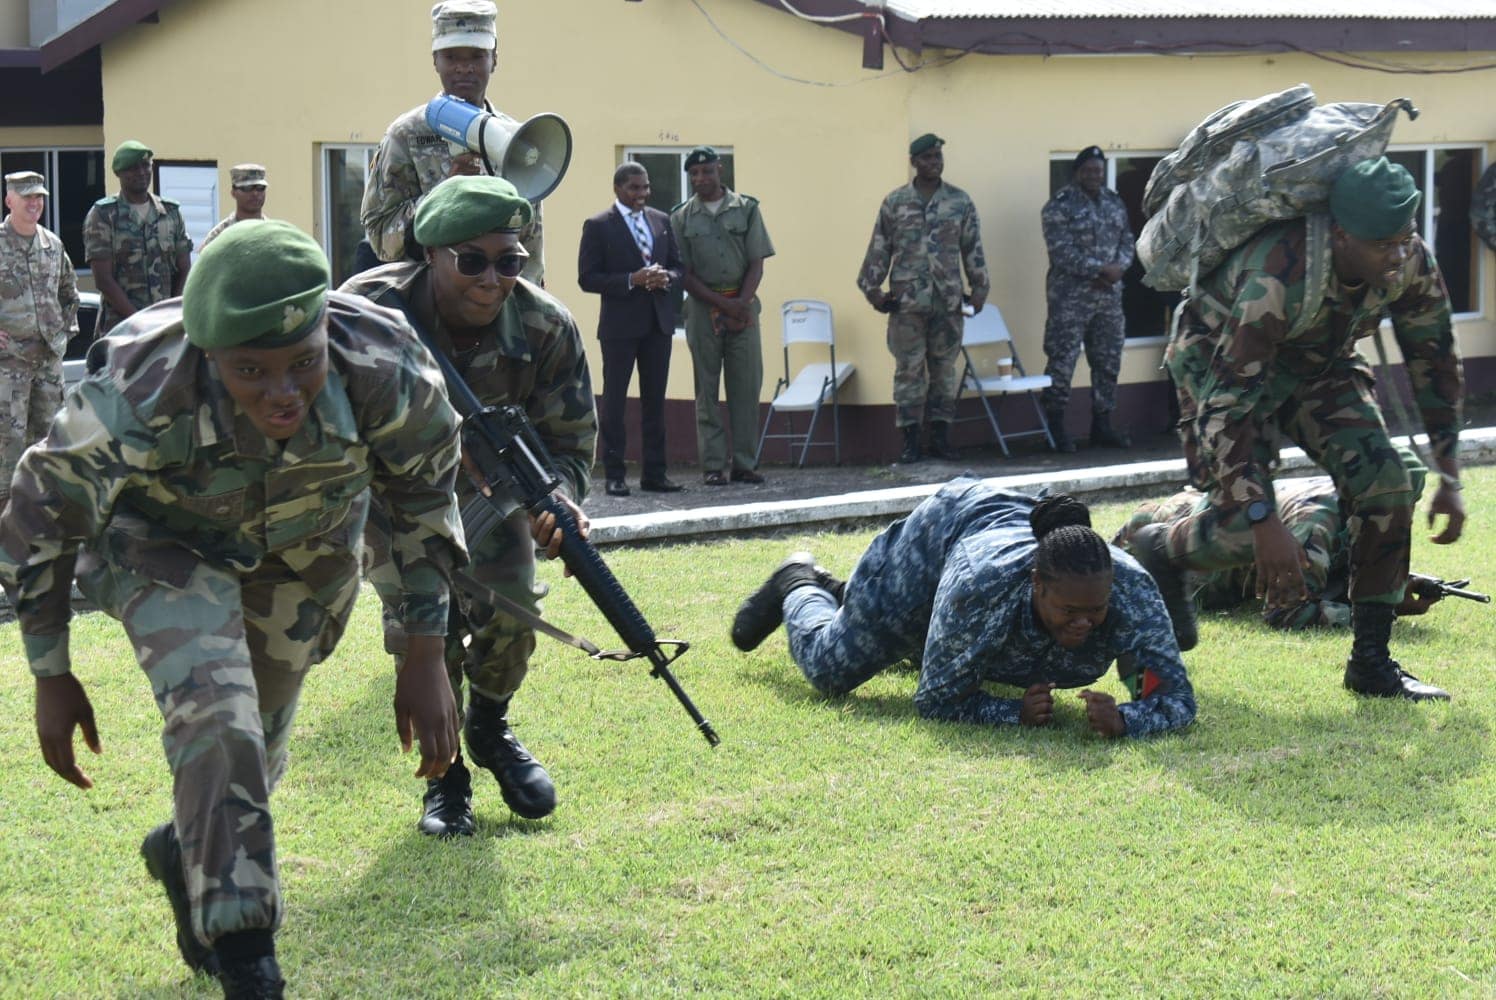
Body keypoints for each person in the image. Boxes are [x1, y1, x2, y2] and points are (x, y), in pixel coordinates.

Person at [0, 221, 467, 997]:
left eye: (303, 365)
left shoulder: (383, 364)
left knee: (255, 745)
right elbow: (40, 523)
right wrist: (51, 673)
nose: (282, 393)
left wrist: (422, 652)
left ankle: (184, 850)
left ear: (326, 332)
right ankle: (251, 961)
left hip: (304, 553)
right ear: (209, 352)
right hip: (161, 546)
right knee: (218, 716)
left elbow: (422, 501)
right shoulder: (138, 387)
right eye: (251, 371)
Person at [1126, 156, 1465, 701]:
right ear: (1340, 236)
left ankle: (1371, 666)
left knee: (1387, 485)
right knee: (1248, 525)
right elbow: (1227, 407)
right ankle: (1161, 547)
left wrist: (1449, 476)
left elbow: (1437, 362)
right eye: (1384, 244)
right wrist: (1263, 520)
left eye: (1406, 239)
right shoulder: (1277, 276)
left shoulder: (1409, 261)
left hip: (1317, 365)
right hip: (1221, 370)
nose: (1399, 256)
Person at [342, 175, 596, 838]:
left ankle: (489, 723)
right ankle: (446, 775)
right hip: (390, 493)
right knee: (425, 623)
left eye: (509, 261)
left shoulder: (545, 325)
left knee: (515, 597)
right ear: (431, 253)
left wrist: (562, 500)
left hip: (493, 494)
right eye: (473, 261)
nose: (493, 279)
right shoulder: (364, 310)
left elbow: (572, 441)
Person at [730, 481, 1195, 738]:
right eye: (1069, 610)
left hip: (1008, 536)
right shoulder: (981, 586)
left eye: (1094, 612)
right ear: (1036, 584)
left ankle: (851, 597)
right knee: (831, 668)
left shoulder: (1132, 590)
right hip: (939, 538)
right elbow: (936, 700)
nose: (1083, 622)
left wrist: (1126, 720)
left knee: (941, 645)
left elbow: (1172, 699)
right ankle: (800, 580)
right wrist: (1011, 713)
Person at [1114, 450, 1451, 631]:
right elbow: (1288, 612)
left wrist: (1389, 583)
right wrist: (1382, 610)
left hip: (1197, 515)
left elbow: (1346, 562)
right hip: (1189, 559)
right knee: (1104, 576)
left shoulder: (1351, 505)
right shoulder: (1318, 522)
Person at [360, 0, 544, 284]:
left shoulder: (514, 139)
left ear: (494, 58)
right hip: (430, 307)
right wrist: (441, 195)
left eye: (476, 55)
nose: (464, 68)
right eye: (451, 56)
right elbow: (380, 237)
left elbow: (530, 242)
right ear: (435, 60)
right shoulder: (406, 136)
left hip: (502, 299)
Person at [858, 134, 990, 464]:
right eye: (929, 157)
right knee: (908, 371)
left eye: (939, 156)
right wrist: (873, 290)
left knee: (945, 371)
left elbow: (972, 247)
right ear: (914, 161)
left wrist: (980, 288)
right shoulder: (895, 202)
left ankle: (941, 439)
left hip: (947, 302)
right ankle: (910, 442)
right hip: (906, 305)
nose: (935, 162)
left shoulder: (959, 201)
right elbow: (880, 246)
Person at [578, 161, 685, 496]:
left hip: (658, 324)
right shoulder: (598, 226)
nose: (642, 194)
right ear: (618, 188)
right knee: (615, 402)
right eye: (634, 188)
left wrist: (666, 277)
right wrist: (631, 280)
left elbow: (679, 267)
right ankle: (614, 474)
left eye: (646, 187)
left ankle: (655, 473)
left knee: (655, 401)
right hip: (619, 327)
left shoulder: (661, 221)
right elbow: (587, 278)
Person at [671, 145, 774, 487]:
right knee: (707, 389)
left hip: (743, 306)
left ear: (720, 171)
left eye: (707, 171)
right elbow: (683, 273)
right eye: (694, 174)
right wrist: (723, 306)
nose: (701, 178)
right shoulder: (681, 217)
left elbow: (757, 261)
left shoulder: (746, 209)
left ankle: (745, 463)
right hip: (703, 310)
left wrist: (740, 305)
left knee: (746, 386)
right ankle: (713, 465)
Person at [1039, 146, 1136, 453]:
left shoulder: (1113, 201)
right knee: (1062, 360)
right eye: (1088, 170)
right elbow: (1061, 250)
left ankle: (1102, 425)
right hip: (1071, 298)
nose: (1094, 175)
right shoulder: (1059, 205)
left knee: (1108, 360)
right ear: (1076, 172)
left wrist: (1119, 267)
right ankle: (1055, 428)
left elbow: (1127, 241)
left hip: (1109, 297)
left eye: (1098, 170)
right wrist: (1098, 269)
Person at [0, 170, 78, 515]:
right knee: (7, 449)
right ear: (9, 200)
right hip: (8, 367)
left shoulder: (52, 245)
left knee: (49, 442)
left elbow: (69, 293)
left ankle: (43, 519)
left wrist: (61, 335)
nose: (35, 203)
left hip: (48, 364)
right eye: (27, 196)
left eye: (39, 197)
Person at [82, 140, 192, 335]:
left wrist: (171, 315)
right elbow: (103, 279)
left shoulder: (170, 212)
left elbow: (184, 268)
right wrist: (140, 321)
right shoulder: (104, 215)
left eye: (146, 166)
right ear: (118, 173)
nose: (141, 172)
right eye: (133, 168)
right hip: (121, 329)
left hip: (165, 326)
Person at [201, 163, 270, 249]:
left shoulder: (274, 232)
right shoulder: (218, 236)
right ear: (233, 193)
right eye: (247, 187)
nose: (255, 193)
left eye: (260, 187)